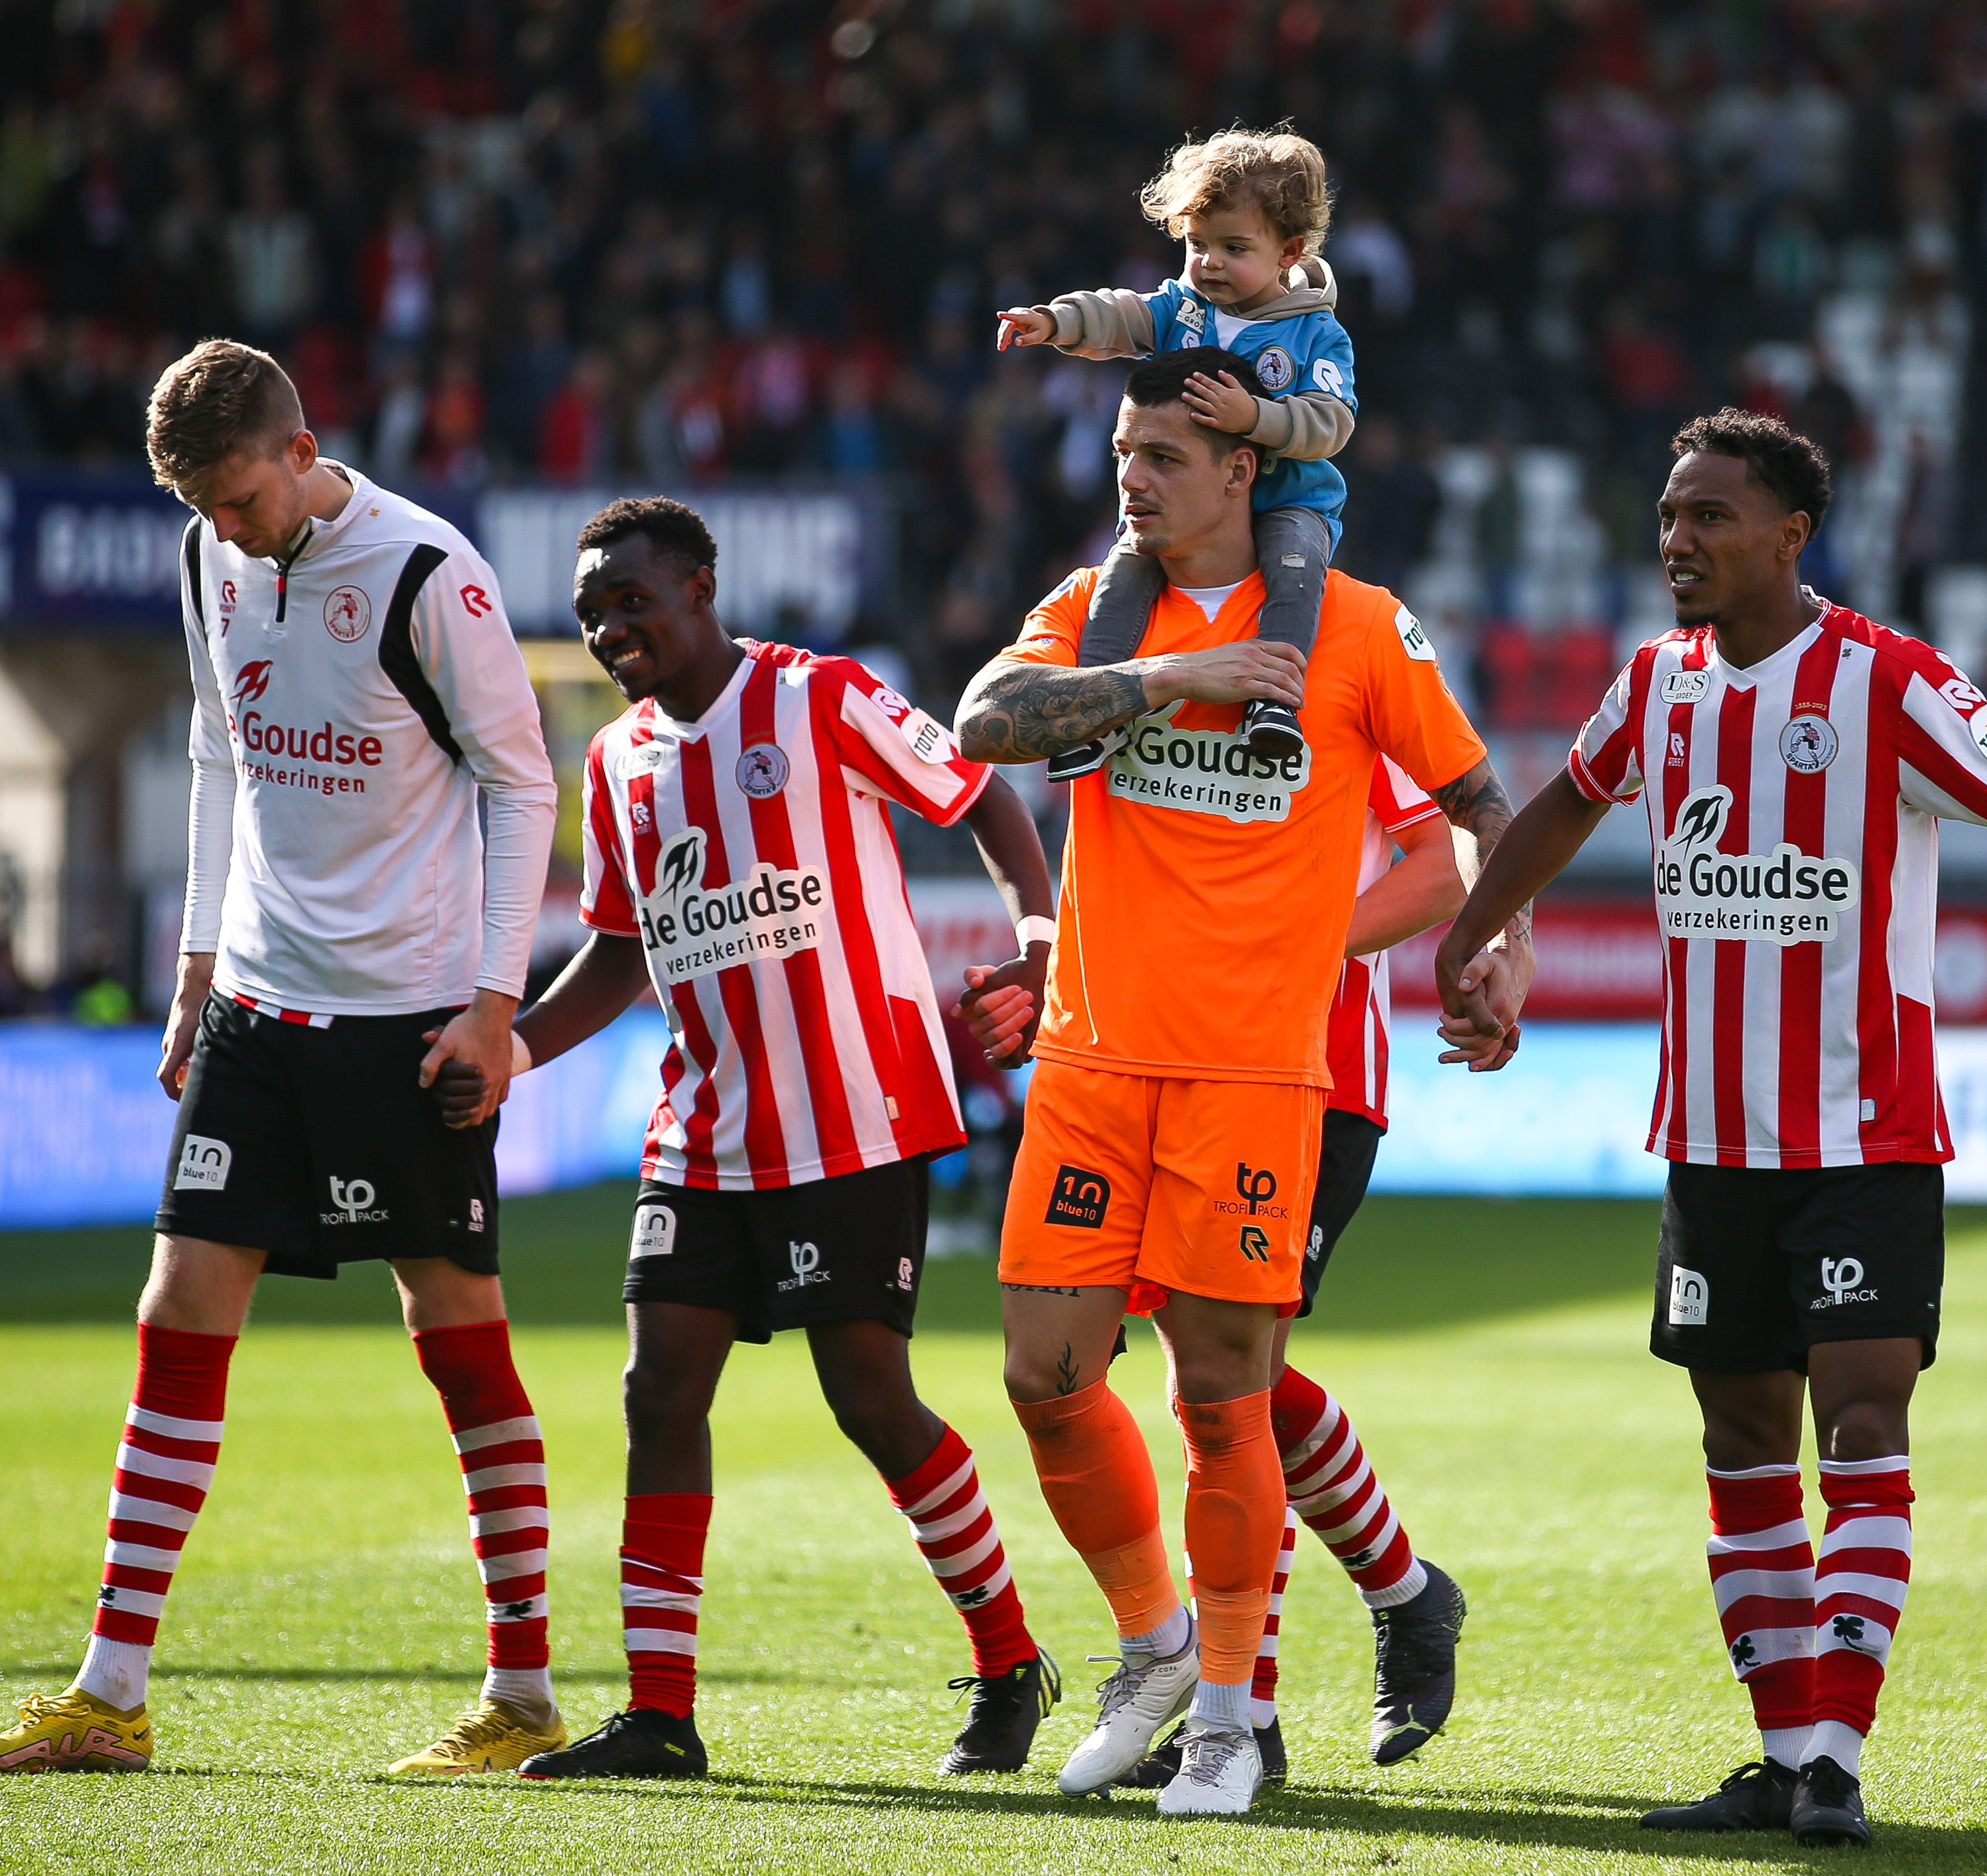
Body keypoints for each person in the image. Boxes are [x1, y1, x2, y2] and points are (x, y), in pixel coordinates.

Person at [1433, 408, 1987, 1848]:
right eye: (1668, 514)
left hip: (1863, 1136)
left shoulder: (1887, 683)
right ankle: (1785, 1758)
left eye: (1711, 515)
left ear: (1790, 535)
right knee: (1738, 1441)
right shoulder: (1653, 685)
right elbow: (1556, 803)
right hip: (1709, 1138)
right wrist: (1475, 930)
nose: (1678, 540)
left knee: (1859, 1418)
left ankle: (1832, 1753)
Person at [950, 345, 1525, 1817]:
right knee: (1045, 1376)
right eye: (1123, 453)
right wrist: (1166, 676)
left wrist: (1496, 929)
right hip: (1090, 1058)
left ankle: (1224, 1715)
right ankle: (1153, 1649)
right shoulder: (1094, 612)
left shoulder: (1353, 630)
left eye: (1162, 457)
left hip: (1258, 1072)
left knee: (1225, 1398)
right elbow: (983, 727)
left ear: (1241, 470)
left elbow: (1473, 809)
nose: (1132, 478)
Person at [0, 340, 563, 1776]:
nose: (226, 529)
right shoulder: (209, 557)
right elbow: (216, 750)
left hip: (409, 1019)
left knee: (456, 1329)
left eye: (240, 498)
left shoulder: (433, 575)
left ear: (303, 449)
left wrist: (496, 1004)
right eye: (201, 505)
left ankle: (520, 1691)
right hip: (258, 1004)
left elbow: (520, 778)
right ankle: (112, 1691)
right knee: (178, 1301)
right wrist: (196, 963)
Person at [440, 499, 1066, 1782]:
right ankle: (660, 1714)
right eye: (596, 612)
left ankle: (1010, 1660)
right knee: (656, 1389)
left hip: (857, 1111)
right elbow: (619, 949)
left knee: (869, 1401)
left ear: (702, 588)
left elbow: (981, 796)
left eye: (635, 602)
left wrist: (1043, 940)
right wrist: (514, 1051)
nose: (615, 628)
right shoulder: (614, 762)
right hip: (703, 1128)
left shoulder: (821, 697)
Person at [1102, 761, 1484, 1788]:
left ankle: (1247, 1712)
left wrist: (1282, 950)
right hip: (1181, 1072)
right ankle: (1401, 1599)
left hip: (1313, 1080)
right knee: (1220, 1389)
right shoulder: (1167, 694)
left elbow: (1444, 864)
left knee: (1230, 1391)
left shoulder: (1349, 685)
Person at [997, 126, 1355, 779]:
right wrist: (1057, 322)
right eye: (1196, 244)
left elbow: (1331, 423)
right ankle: (1095, 705)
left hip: (1287, 500)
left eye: (1232, 247)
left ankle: (1272, 703)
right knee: (1124, 571)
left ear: (1289, 252)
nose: (1209, 262)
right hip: (1188, 511)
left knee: (1294, 569)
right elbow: (1123, 316)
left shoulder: (1314, 333)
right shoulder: (1182, 307)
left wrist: (1257, 417)